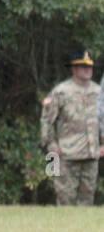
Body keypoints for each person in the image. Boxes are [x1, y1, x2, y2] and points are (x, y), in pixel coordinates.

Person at [40, 51, 99, 206]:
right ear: (74, 69)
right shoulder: (61, 92)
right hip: (66, 154)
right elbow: (47, 121)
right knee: (65, 200)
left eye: (89, 67)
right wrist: (52, 147)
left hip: (91, 154)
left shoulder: (99, 92)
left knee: (87, 202)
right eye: (82, 66)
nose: (87, 70)